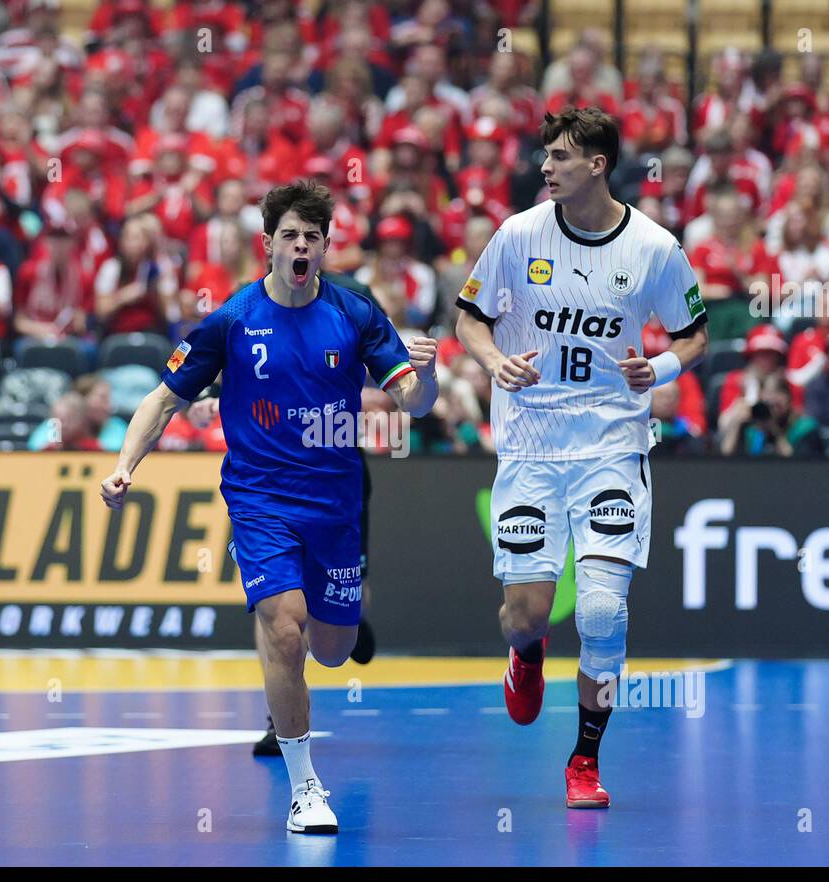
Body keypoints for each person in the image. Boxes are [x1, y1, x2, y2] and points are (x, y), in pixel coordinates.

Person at [99, 181, 439, 834]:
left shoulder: (357, 314)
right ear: (269, 246)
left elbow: (411, 404)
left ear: (325, 246)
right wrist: (123, 466)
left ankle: (332, 629)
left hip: (335, 503)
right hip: (260, 499)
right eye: (290, 235)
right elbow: (163, 399)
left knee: (333, 650)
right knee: (284, 626)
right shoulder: (232, 319)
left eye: (313, 236)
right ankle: (305, 788)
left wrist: (422, 379)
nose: (302, 245)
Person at [454, 107, 709, 809]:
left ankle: (585, 762)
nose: (546, 166)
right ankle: (525, 655)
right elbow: (468, 315)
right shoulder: (518, 235)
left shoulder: (654, 247)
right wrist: (495, 360)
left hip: (611, 448)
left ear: (597, 164)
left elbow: (693, 335)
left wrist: (656, 371)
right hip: (531, 446)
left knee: (601, 611)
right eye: (546, 155)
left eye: (561, 156)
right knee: (528, 613)